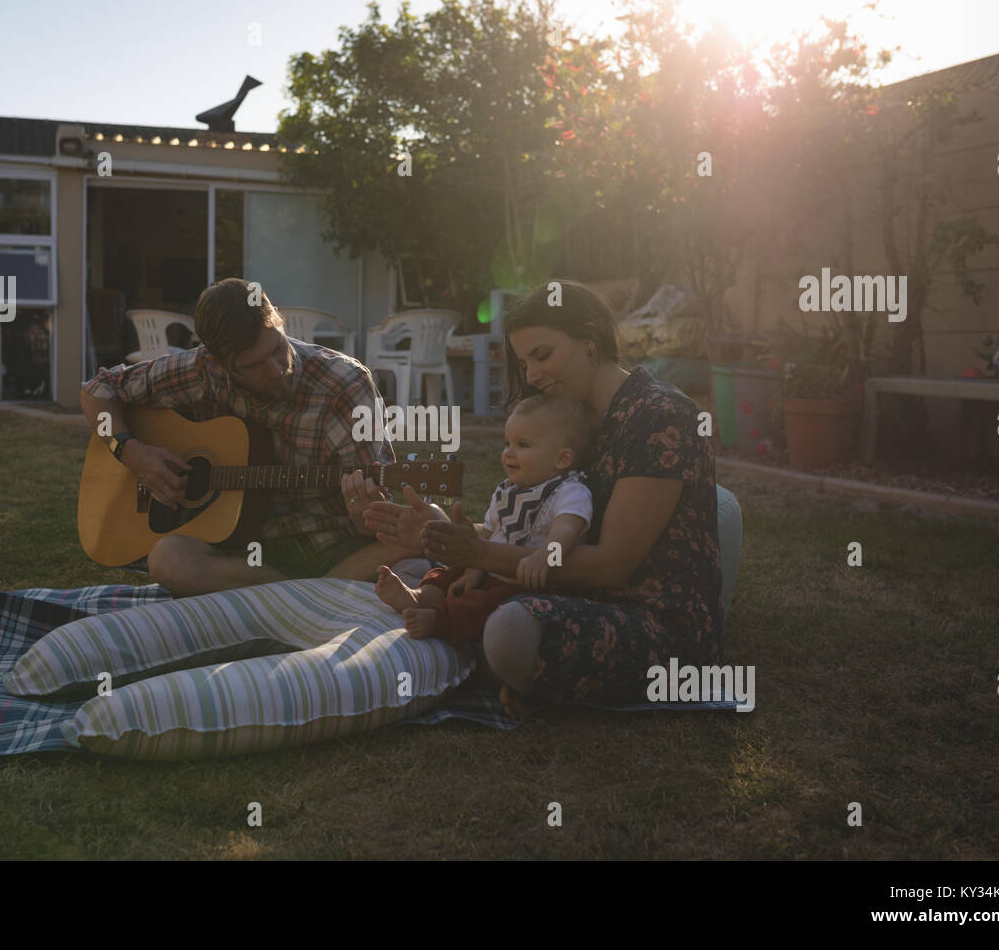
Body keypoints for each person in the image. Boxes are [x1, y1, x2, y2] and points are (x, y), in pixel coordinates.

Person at [360, 280, 724, 720]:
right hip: (571, 590)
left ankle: (511, 666)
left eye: (543, 354)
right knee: (419, 571)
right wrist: (439, 533)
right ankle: (517, 671)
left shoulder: (660, 416)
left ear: (590, 341)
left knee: (509, 630)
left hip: (650, 619)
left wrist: (483, 554)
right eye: (524, 361)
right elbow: (532, 530)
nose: (531, 376)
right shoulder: (570, 418)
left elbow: (614, 566)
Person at [79, 278, 408, 595]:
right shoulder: (201, 371)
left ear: (279, 323)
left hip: (331, 546)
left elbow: (375, 520)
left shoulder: (344, 385)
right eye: (255, 364)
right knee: (167, 559)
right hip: (239, 554)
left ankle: (281, 598)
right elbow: (98, 389)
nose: (278, 369)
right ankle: (303, 596)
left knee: (418, 540)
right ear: (219, 365)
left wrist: (363, 510)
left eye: (278, 347)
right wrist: (129, 451)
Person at [373, 394, 594, 650]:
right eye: (506, 443)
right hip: (491, 568)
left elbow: (566, 529)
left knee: (488, 603)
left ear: (562, 459)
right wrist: (473, 570)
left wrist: (542, 557)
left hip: (529, 582)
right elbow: (488, 535)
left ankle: (440, 620)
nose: (509, 453)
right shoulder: (507, 491)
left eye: (522, 445)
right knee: (450, 574)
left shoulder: (569, 491)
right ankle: (419, 596)